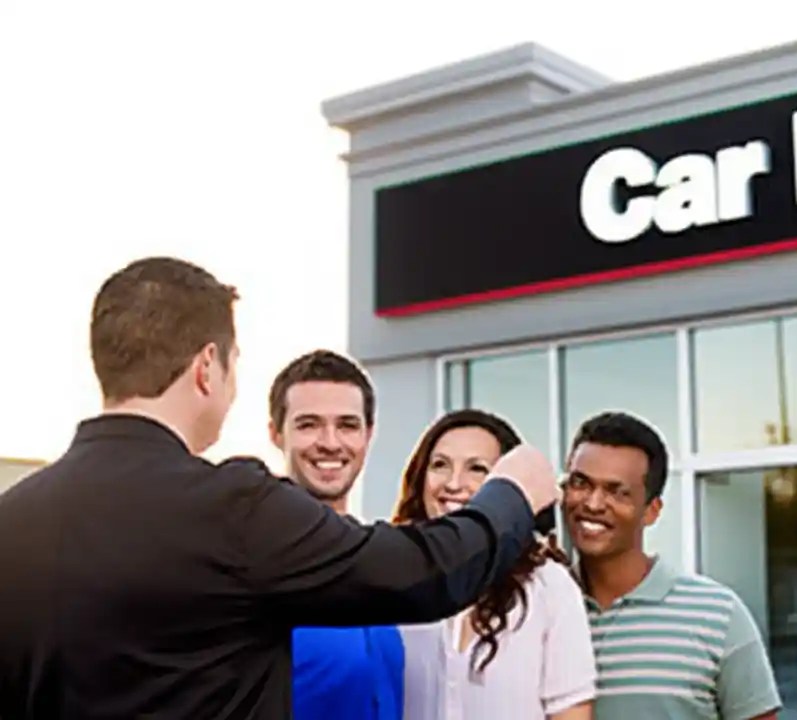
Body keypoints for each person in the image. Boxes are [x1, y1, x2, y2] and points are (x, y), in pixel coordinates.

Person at [0, 257, 557, 719]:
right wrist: (510, 491)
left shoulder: (13, 521)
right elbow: (423, 572)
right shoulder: (232, 507)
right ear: (206, 367)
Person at [562, 411, 782, 720]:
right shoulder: (537, 609)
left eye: (617, 492)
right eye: (580, 483)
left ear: (651, 511)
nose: (594, 503)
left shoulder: (718, 614)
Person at [392, 409, 596, 720]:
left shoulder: (548, 586)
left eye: (477, 469)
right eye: (440, 465)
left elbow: (571, 714)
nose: (453, 483)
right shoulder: (393, 579)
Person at [267, 350, 405, 720]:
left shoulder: (380, 561)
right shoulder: (251, 563)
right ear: (276, 433)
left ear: (368, 434)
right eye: (309, 424)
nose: (330, 442)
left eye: (347, 425)